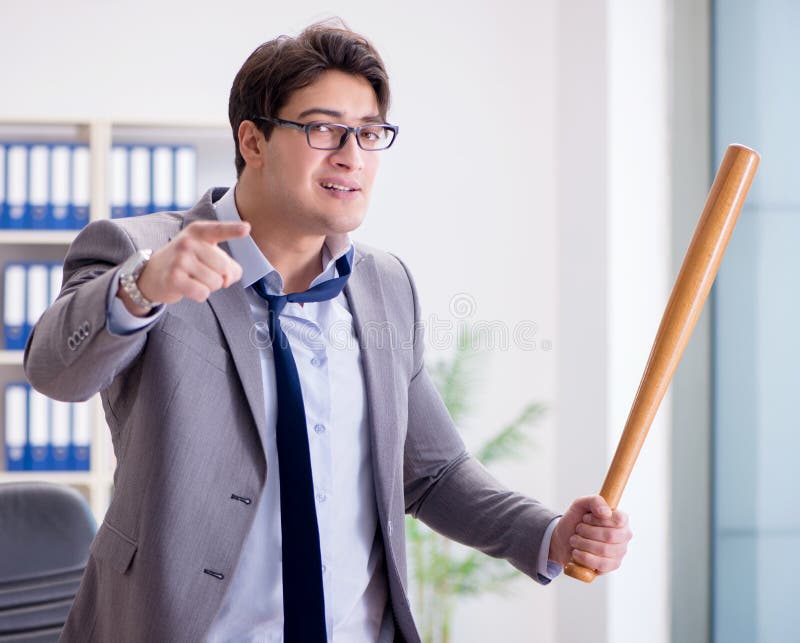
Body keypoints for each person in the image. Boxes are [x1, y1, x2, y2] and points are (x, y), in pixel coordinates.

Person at [24, 20, 632, 643]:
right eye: (323, 129)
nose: (351, 156)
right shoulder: (147, 253)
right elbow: (54, 371)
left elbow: (432, 472)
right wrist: (142, 286)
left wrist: (548, 534)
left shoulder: (385, 284)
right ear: (253, 141)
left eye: (369, 134)